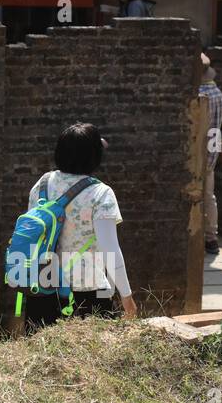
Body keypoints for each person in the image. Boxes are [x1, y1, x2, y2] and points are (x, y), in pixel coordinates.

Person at [23, 122, 138, 330]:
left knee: (42, 357)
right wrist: (127, 296)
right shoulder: (101, 194)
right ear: (93, 156)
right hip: (90, 289)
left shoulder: (42, 184)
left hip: (42, 284)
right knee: (91, 359)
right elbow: (110, 248)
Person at [199, 53, 222, 256]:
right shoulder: (218, 93)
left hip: (200, 145)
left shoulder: (199, 94)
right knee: (209, 195)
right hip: (214, 143)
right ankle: (211, 238)